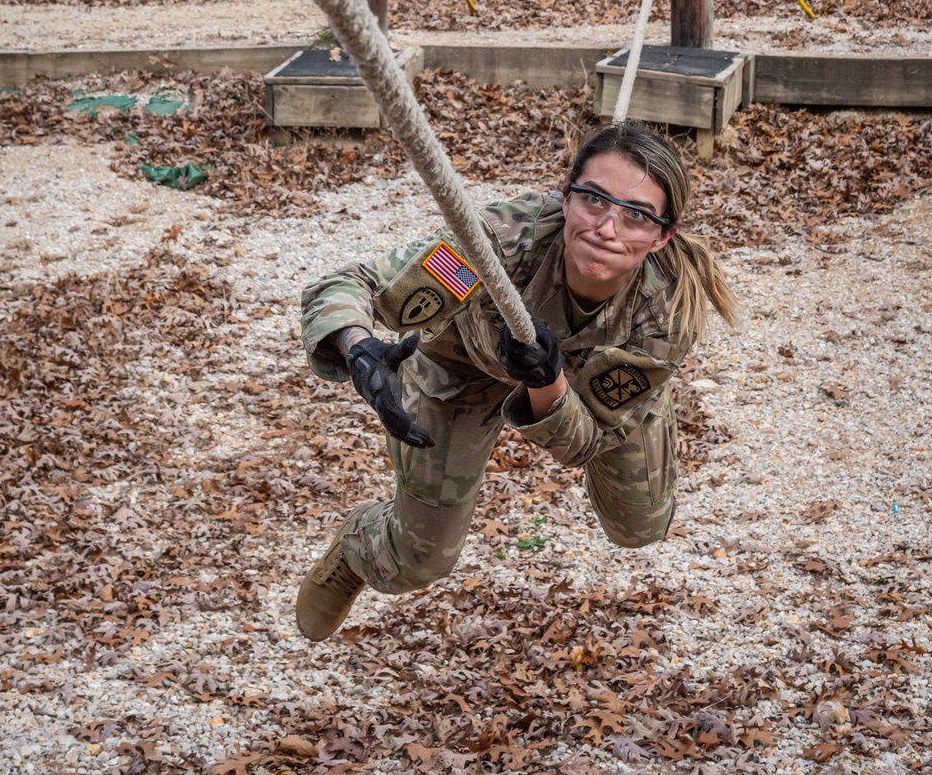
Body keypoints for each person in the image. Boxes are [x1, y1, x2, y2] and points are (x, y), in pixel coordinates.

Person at [296, 120, 737, 641]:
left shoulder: (666, 313)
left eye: (637, 215)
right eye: (594, 200)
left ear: (664, 235)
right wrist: (357, 348)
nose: (607, 228)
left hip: (589, 387)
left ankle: (638, 401)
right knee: (419, 559)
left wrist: (547, 381)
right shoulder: (500, 243)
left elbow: (582, 443)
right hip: (463, 361)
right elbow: (354, 284)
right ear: (566, 196)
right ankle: (356, 547)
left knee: (639, 526)